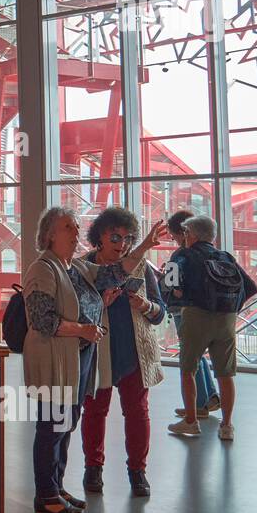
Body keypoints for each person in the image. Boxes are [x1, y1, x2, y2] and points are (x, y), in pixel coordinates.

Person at [22, 206, 165, 513]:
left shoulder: (74, 268)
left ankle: (56, 487)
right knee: (52, 428)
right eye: (68, 227)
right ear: (49, 235)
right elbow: (42, 320)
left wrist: (145, 246)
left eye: (76, 227)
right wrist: (83, 329)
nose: (75, 232)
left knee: (65, 426)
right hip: (54, 362)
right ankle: (46, 494)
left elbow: (116, 273)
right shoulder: (44, 269)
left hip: (75, 360)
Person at [80, 207, 167, 497]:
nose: (122, 245)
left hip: (134, 354)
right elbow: (73, 314)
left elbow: (159, 314)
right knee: (94, 411)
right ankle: (93, 468)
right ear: (99, 237)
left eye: (128, 238)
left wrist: (145, 306)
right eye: (115, 237)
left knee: (138, 412)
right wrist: (100, 304)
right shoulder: (83, 268)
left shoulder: (142, 267)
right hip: (97, 351)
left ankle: (138, 471)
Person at [166, 215, 256, 441]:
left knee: (188, 370)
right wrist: (231, 307)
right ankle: (226, 426)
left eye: (186, 233)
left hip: (196, 316)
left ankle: (191, 421)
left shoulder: (182, 255)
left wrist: (180, 296)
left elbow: (170, 286)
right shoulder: (225, 256)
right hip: (226, 319)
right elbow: (251, 287)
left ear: (192, 235)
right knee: (225, 374)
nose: (184, 236)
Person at [164, 210, 221, 419]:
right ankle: (209, 397)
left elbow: (171, 285)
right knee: (198, 355)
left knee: (189, 358)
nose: (175, 239)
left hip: (184, 311)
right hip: (209, 311)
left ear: (184, 232)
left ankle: (197, 405)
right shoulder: (213, 253)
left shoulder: (179, 255)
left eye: (174, 235)